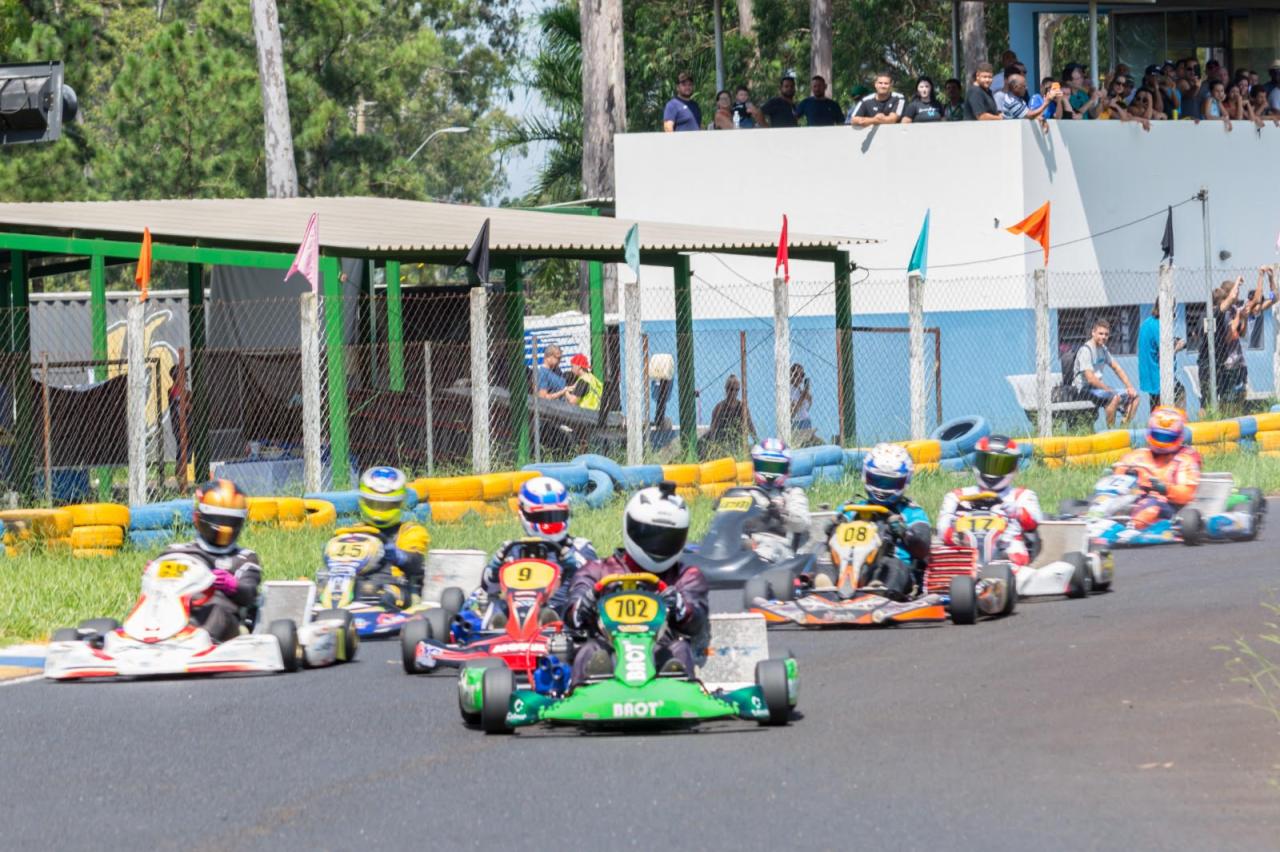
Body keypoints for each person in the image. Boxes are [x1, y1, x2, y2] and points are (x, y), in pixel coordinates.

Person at [566, 482, 708, 684]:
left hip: (659, 653)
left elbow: (696, 623)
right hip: (607, 652)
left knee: (679, 650)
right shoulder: (597, 570)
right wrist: (585, 605)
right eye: (650, 535)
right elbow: (572, 613)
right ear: (630, 527)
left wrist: (679, 605)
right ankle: (585, 693)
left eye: (667, 539)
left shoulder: (685, 576)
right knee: (589, 651)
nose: (657, 545)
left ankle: (677, 688)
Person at [469, 476, 598, 620]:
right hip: (515, 615)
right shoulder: (513, 550)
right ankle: (490, 628)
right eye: (542, 516)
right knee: (494, 607)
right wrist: (494, 569)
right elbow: (489, 590)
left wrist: (574, 569)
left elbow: (592, 590)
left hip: (562, 619)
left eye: (556, 515)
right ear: (523, 513)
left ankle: (548, 620)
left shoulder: (580, 549)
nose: (550, 522)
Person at [151, 478, 261, 643]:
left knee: (217, 610)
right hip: (175, 615)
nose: (223, 530)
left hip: (224, 624)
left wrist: (232, 585)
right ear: (197, 518)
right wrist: (152, 573)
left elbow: (249, 593)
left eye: (230, 523)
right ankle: (134, 635)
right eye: (217, 523)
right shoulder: (177, 551)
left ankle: (199, 642)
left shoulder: (244, 558)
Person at [937, 435, 1042, 567]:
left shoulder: (1021, 495)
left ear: (1013, 468)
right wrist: (951, 534)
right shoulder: (957, 495)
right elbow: (943, 525)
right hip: (964, 549)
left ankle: (1008, 575)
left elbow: (1034, 521)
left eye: (1001, 466)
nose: (992, 473)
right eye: (988, 464)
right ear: (977, 463)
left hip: (1005, 549)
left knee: (1015, 552)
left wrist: (1016, 511)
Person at [843, 443, 931, 600]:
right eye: (877, 480)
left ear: (904, 482)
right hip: (847, 564)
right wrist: (832, 526)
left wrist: (905, 532)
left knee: (894, 567)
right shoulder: (853, 508)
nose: (882, 489)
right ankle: (821, 585)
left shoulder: (911, 512)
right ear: (866, 476)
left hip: (894, 567)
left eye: (890, 483)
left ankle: (879, 591)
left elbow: (923, 547)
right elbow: (832, 528)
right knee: (823, 553)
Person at [1113, 407, 1201, 530]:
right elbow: (1117, 480)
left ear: (1179, 436)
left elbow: (1187, 495)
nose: (1161, 442)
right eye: (1158, 435)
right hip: (1132, 500)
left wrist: (1166, 489)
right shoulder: (1136, 456)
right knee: (1108, 500)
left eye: (1167, 438)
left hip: (1167, 506)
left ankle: (1131, 528)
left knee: (1151, 506)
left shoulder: (1184, 461)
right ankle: (1096, 519)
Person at [1071, 318, 1139, 428]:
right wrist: (1107, 389)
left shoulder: (1103, 349)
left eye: (1106, 334)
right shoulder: (1086, 350)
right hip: (1082, 390)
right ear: (1093, 332)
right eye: (1100, 333)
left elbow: (1117, 368)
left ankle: (1123, 429)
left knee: (1135, 397)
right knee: (1113, 397)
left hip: (1098, 389)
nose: (1103, 337)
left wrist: (1130, 387)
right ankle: (1111, 432)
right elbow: (1090, 378)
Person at [745, 438, 811, 543]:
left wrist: (781, 514)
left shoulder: (792, 493)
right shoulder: (748, 493)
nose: (770, 472)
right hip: (746, 545)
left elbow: (802, 523)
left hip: (779, 546)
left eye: (775, 468)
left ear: (786, 468)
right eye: (766, 466)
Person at [1137, 296, 1186, 411]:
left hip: (1150, 375)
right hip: (1159, 375)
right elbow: (1164, 352)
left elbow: (1155, 344)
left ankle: (1157, 425)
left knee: (1156, 408)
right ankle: (1178, 425)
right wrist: (1178, 346)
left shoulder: (1147, 322)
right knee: (1179, 393)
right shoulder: (1159, 325)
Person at [705, 374, 756, 453]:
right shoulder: (719, 408)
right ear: (726, 389)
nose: (734, 392)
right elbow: (712, 429)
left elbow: (750, 426)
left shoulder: (742, 407)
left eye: (737, 390)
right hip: (723, 445)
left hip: (738, 445)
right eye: (731, 389)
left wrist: (756, 441)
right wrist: (713, 447)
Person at [789, 362, 813, 436]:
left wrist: (809, 398)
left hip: (806, 422)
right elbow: (792, 413)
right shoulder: (790, 390)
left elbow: (806, 409)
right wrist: (803, 396)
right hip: (798, 424)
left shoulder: (800, 389)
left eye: (802, 375)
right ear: (791, 375)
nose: (799, 377)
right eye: (796, 374)